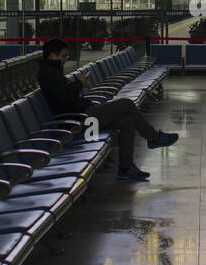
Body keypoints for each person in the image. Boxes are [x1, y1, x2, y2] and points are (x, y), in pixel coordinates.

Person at [37, 38, 177, 181]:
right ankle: (153, 137)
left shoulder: (52, 71)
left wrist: (77, 85)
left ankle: (126, 168)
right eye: (64, 56)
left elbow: (64, 94)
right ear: (53, 55)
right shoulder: (48, 74)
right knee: (126, 104)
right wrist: (79, 84)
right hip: (81, 121)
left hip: (83, 115)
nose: (66, 59)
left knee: (126, 121)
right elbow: (64, 97)